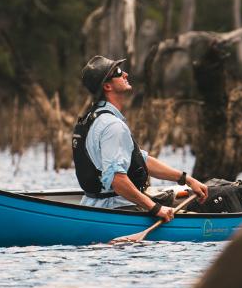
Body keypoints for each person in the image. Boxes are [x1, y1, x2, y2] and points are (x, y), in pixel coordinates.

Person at [73, 55, 208, 220]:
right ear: (107, 86)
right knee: (215, 201)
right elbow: (118, 180)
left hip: (94, 205)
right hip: (120, 209)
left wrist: (186, 179)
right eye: (118, 71)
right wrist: (155, 208)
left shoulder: (93, 119)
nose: (126, 74)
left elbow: (140, 160)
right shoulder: (113, 126)